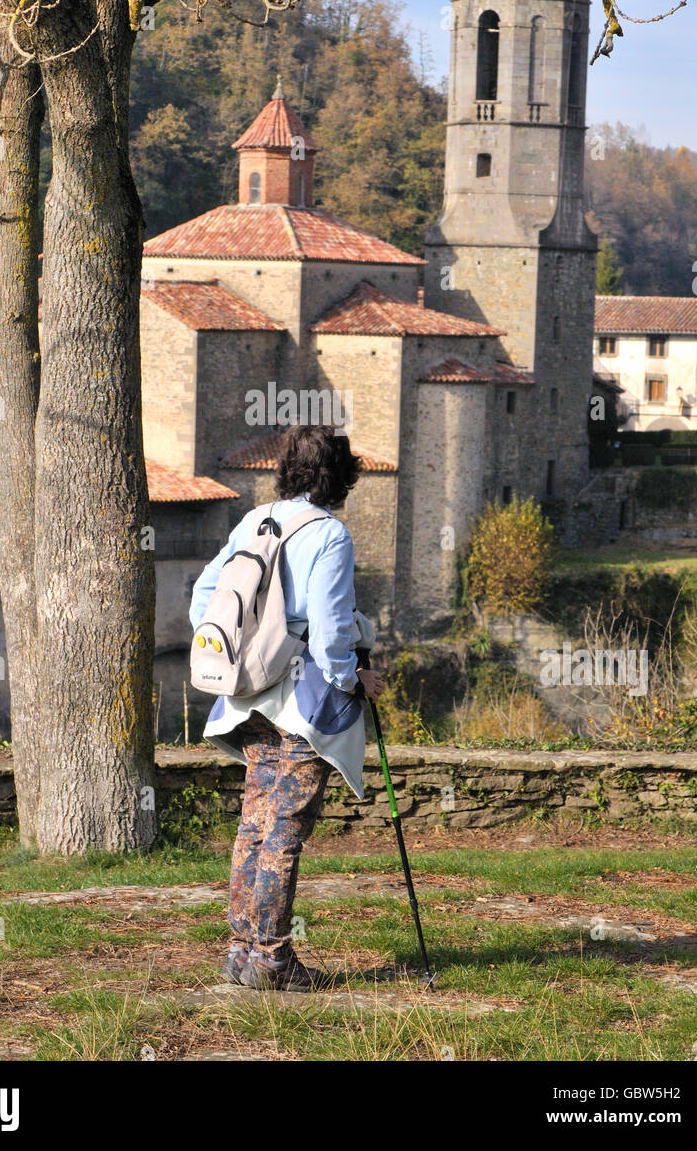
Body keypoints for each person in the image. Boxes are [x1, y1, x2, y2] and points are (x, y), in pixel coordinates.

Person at [188, 424, 385, 992]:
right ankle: (272, 960)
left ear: (287, 469)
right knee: (286, 829)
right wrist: (354, 679)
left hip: (246, 696)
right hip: (299, 704)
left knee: (255, 824)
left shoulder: (257, 520)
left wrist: (243, 650)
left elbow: (206, 596)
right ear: (341, 476)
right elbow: (327, 636)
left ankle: (242, 951)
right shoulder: (330, 535)